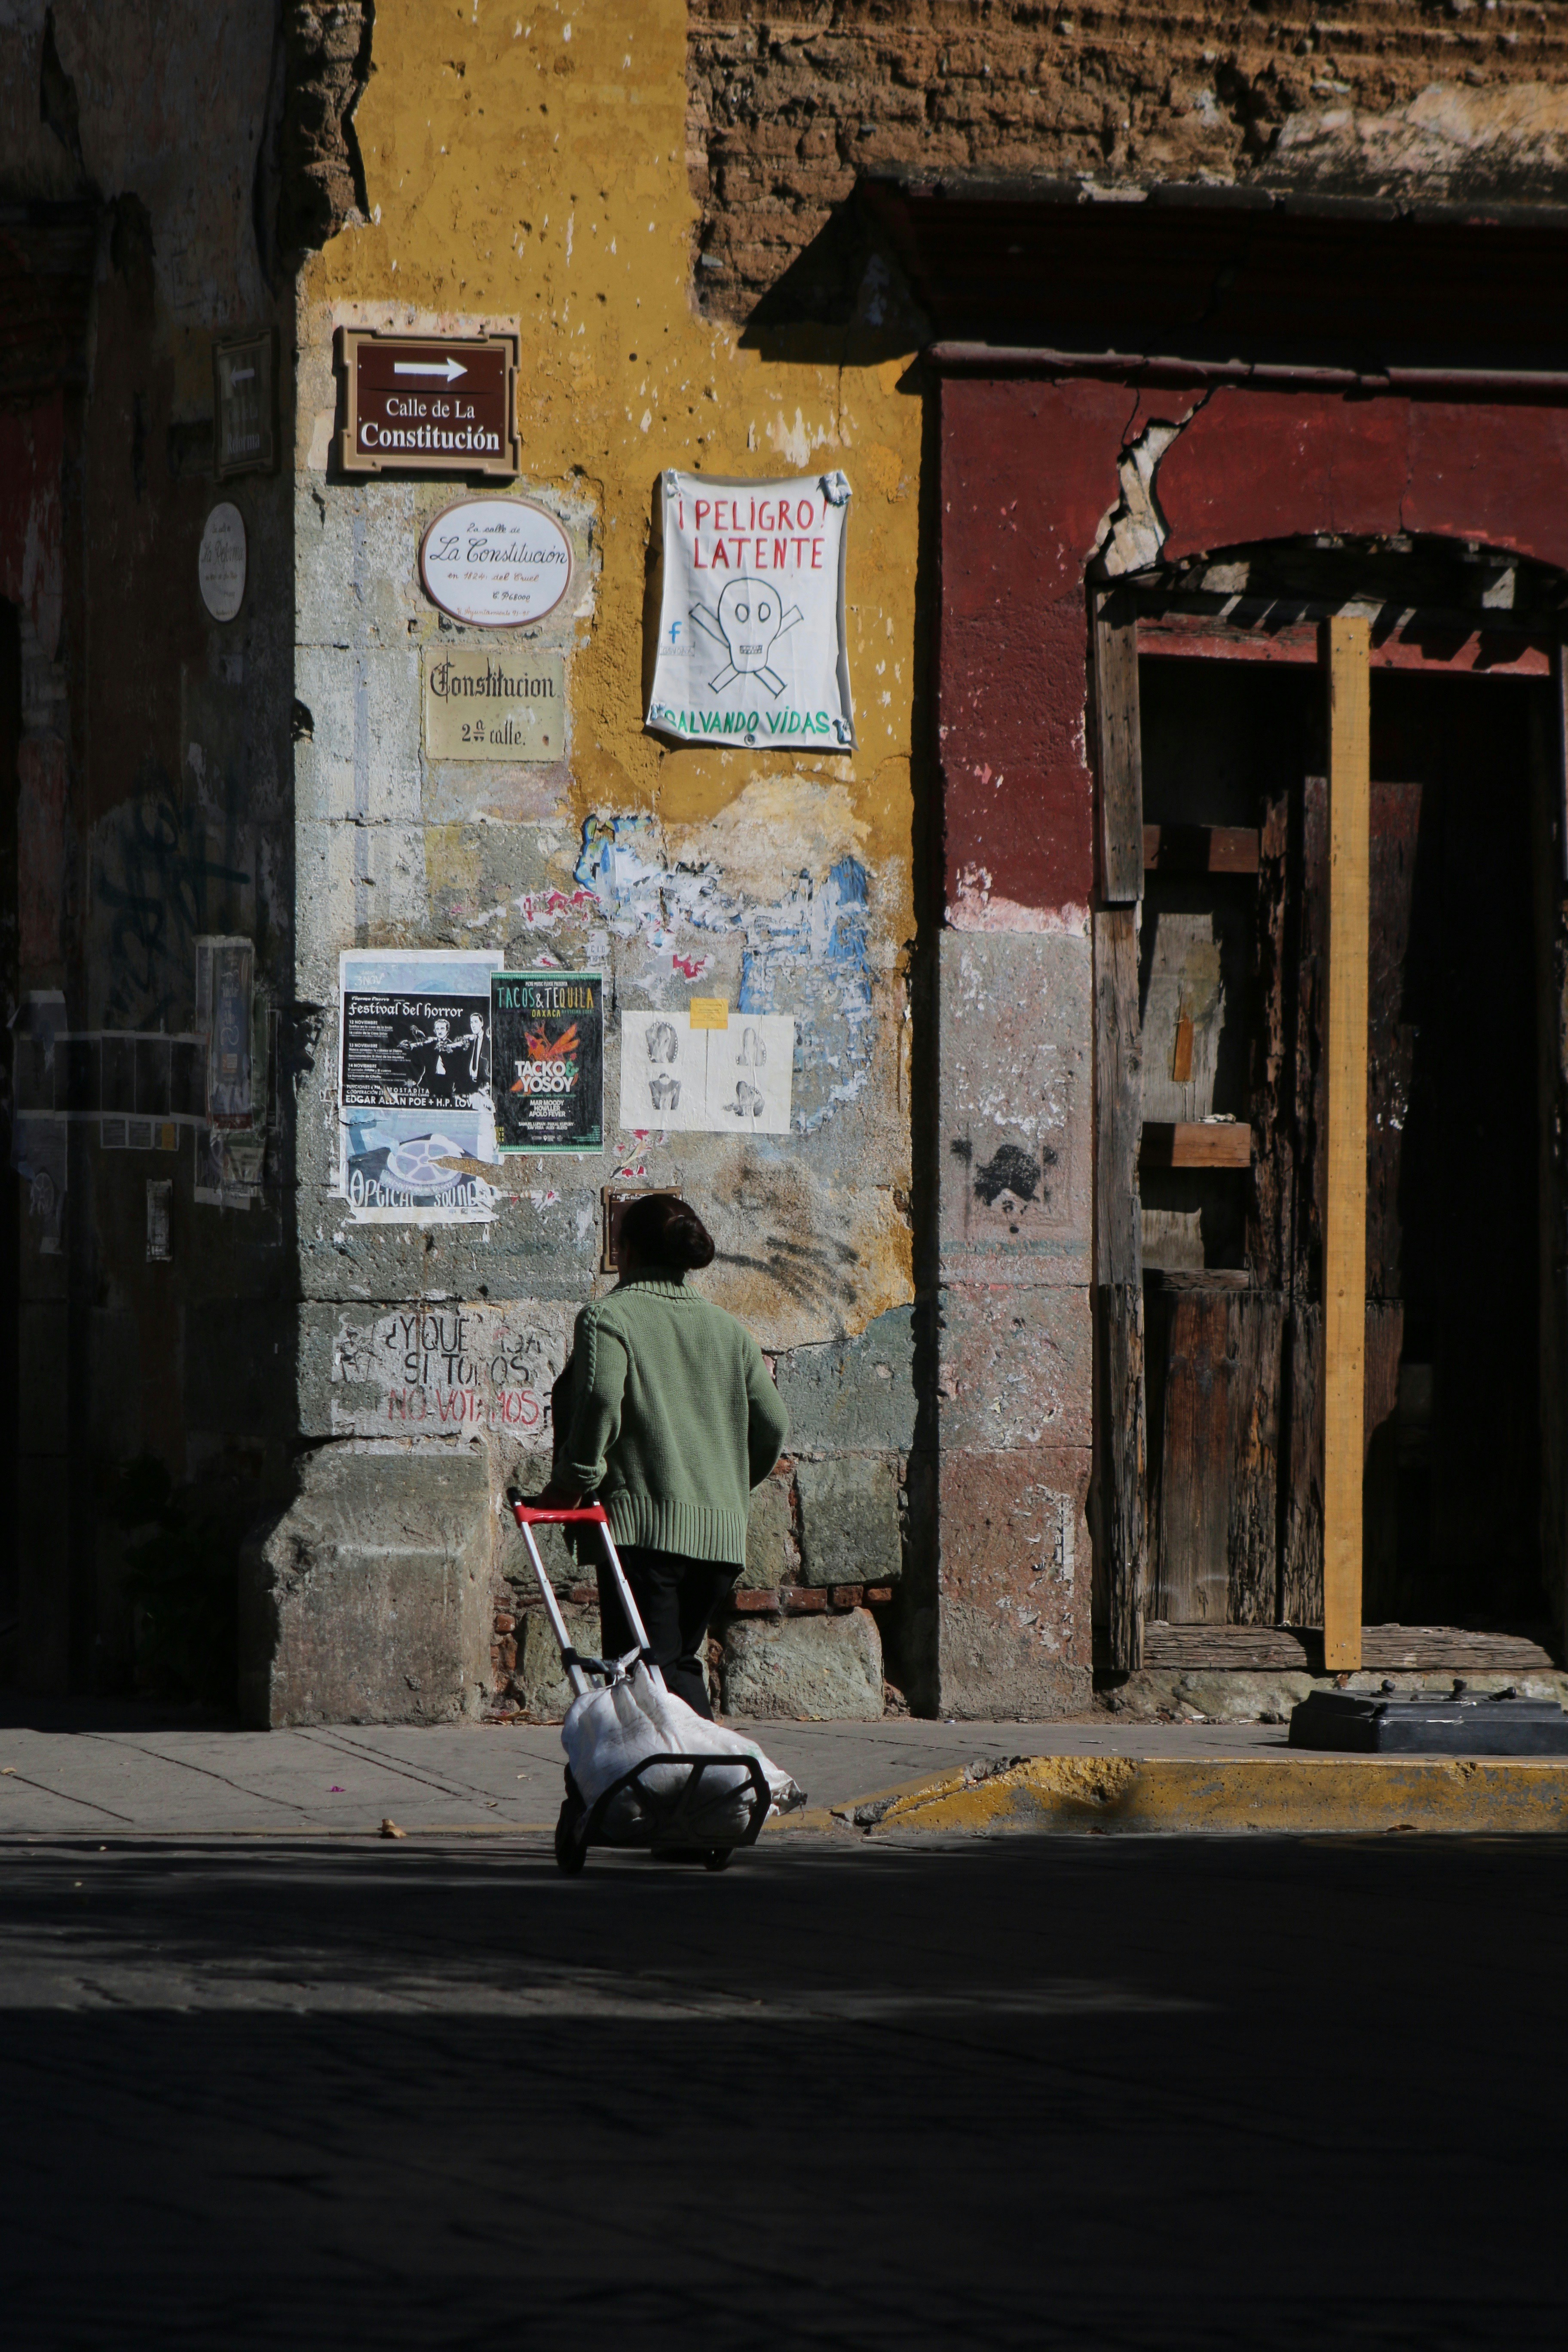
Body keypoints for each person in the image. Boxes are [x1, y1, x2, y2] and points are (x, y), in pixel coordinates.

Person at [536, 1192, 787, 1718]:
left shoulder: (609, 1317)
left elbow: (602, 1398)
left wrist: (576, 1478)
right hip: (719, 1537)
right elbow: (774, 1425)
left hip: (645, 1534)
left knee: (646, 1672)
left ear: (626, 1251)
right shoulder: (729, 1329)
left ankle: (696, 1786)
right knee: (676, 1663)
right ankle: (687, 1786)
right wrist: (728, 1487)